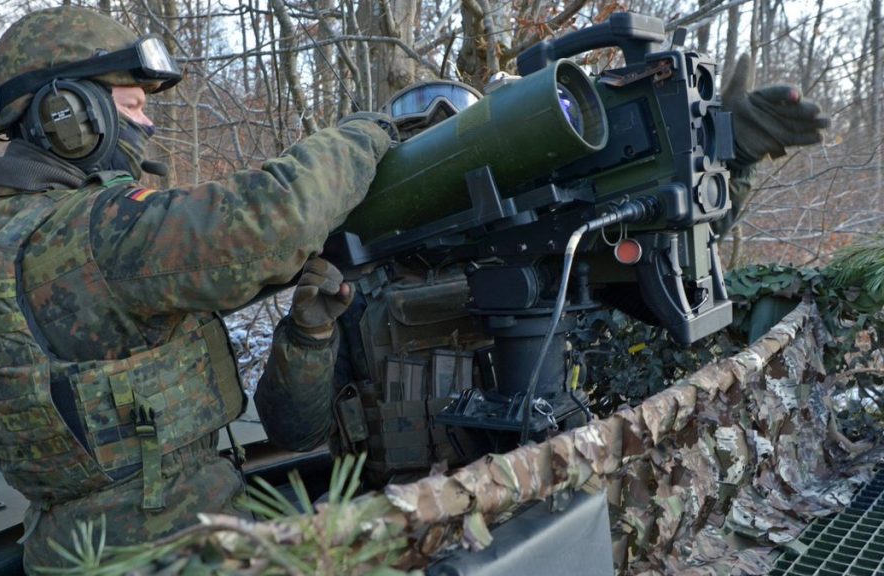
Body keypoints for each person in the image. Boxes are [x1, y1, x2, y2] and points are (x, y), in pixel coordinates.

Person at [0, 6, 394, 572]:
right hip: (177, 551)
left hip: (74, 553)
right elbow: (274, 220)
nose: (147, 126)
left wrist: (309, 331)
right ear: (68, 114)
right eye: (133, 106)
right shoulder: (98, 230)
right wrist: (371, 130)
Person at [254, 60, 830, 488]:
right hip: (412, 515)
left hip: (552, 489)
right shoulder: (354, 282)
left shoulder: (547, 244)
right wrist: (310, 333)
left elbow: (665, 263)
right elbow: (294, 433)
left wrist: (728, 156)